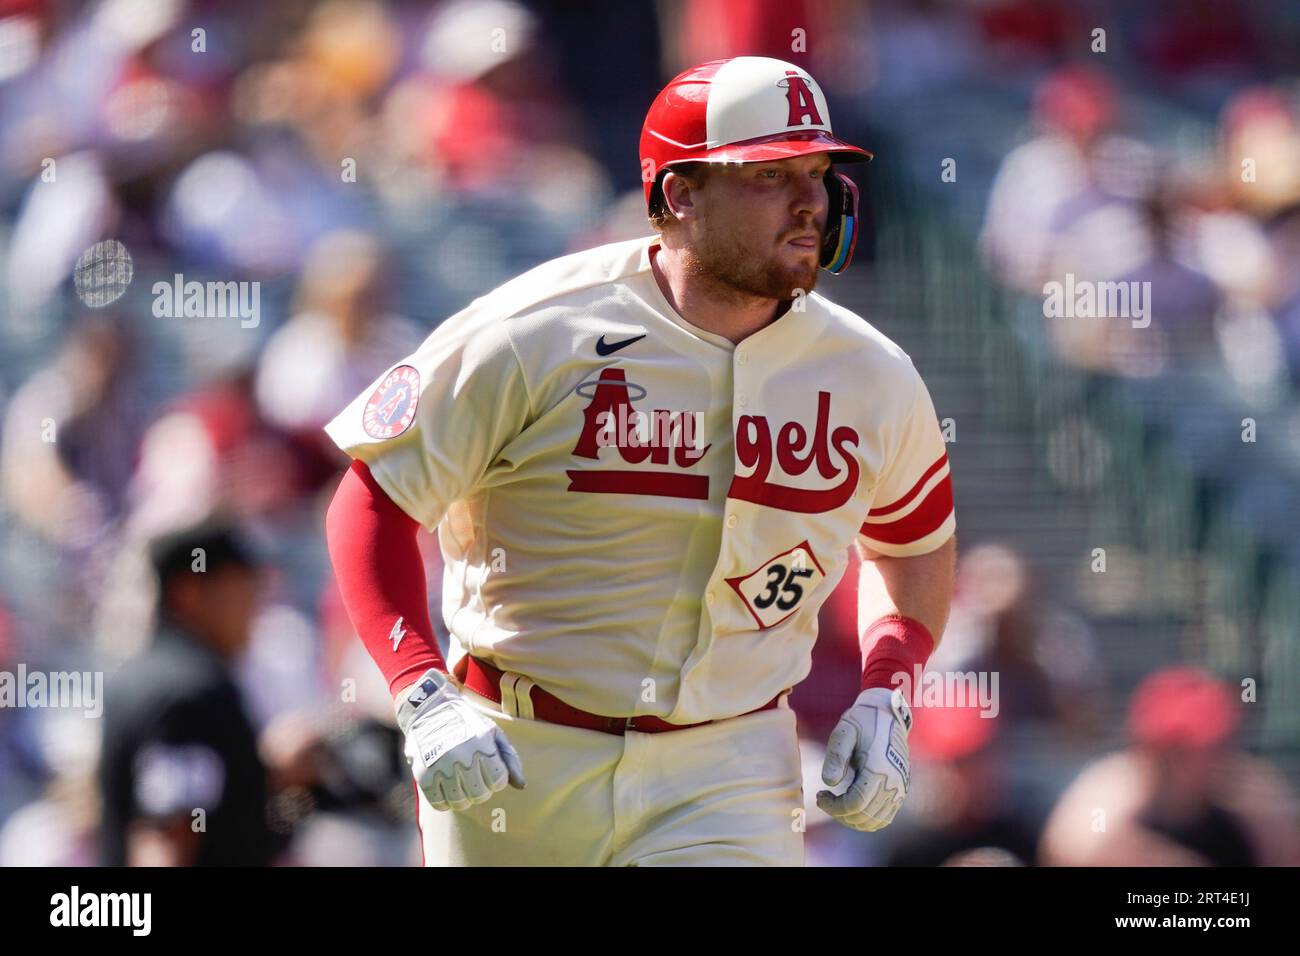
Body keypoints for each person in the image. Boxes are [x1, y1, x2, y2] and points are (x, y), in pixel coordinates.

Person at [325, 56, 957, 866]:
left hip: (729, 767)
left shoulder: (872, 373)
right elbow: (375, 500)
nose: (811, 201)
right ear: (679, 194)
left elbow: (912, 545)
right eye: (768, 175)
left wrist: (889, 686)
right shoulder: (533, 329)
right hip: (519, 753)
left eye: (818, 171)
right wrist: (419, 690)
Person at [99, 522, 282, 866]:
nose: (255, 605)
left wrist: (270, 773)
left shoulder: (144, 675)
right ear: (190, 591)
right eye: (244, 586)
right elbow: (164, 837)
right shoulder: (189, 693)